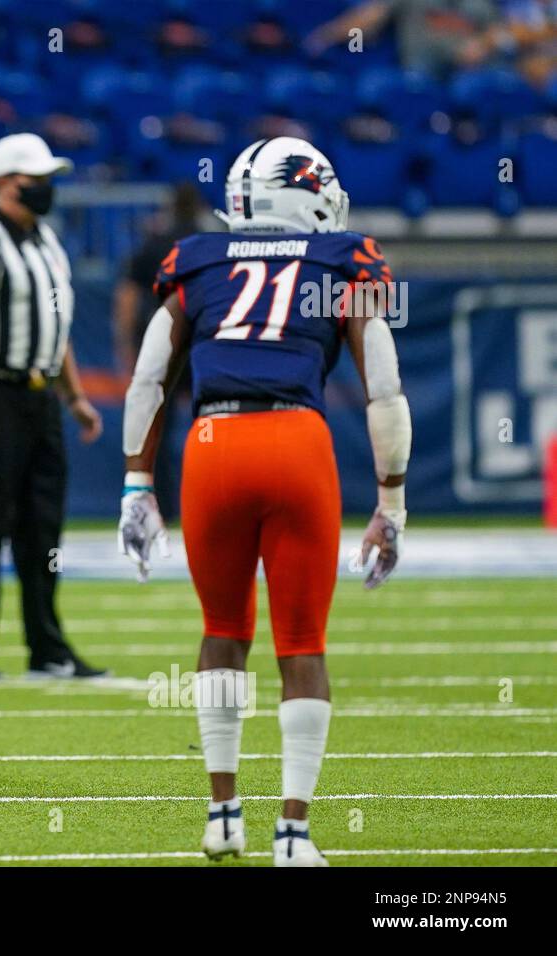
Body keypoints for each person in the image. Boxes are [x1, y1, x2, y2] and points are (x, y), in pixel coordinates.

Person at [119, 137, 411, 866]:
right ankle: (293, 832)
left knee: (222, 629)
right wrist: (392, 503)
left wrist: (135, 484)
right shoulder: (343, 258)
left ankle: (222, 815)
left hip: (213, 446)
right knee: (302, 644)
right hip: (296, 445)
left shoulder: (196, 260)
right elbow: (383, 386)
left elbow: (149, 380)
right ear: (309, 195)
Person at [0, 132, 105, 682]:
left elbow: (56, 330)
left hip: (41, 398)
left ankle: (48, 649)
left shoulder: (47, 242)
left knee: (44, 529)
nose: (45, 189)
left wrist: (75, 396)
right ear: (4, 183)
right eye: (36, 180)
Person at [113, 181, 207, 519]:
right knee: (211, 426)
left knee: (157, 432)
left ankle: (159, 506)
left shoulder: (154, 245)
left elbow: (127, 297)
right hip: (202, 350)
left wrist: (125, 346)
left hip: (160, 347)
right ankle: (207, 504)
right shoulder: (205, 246)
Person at [303, 0, 498, 78]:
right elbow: (371, 17)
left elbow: (500, 33)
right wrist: (326, 35)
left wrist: (486, 43)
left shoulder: (480, 6)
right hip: (418, 77)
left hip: (466, 78)